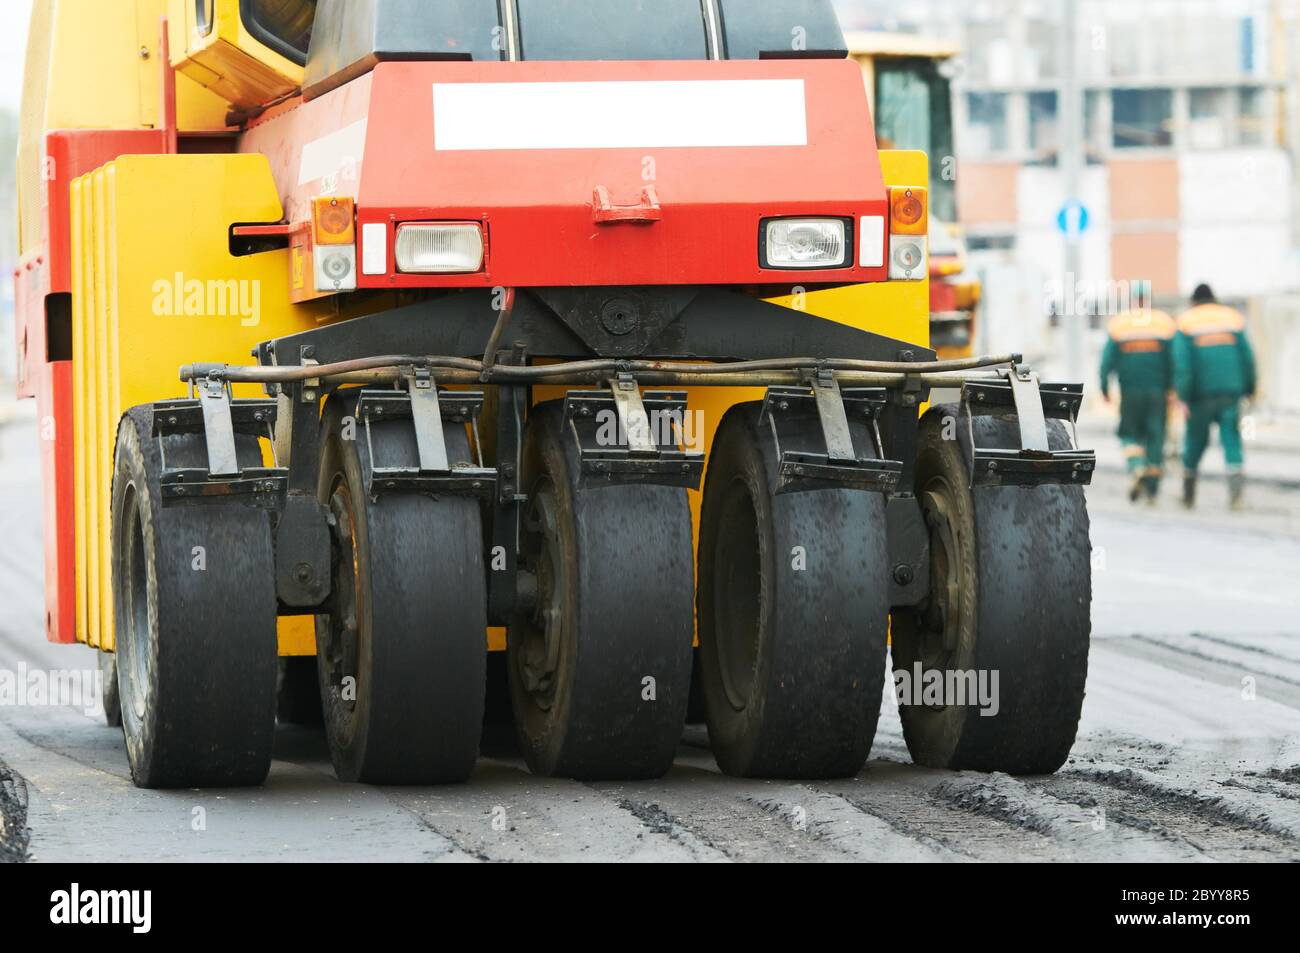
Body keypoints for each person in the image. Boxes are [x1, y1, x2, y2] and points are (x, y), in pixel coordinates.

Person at [1173, 284, 1256, 509]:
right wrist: (1249, 388)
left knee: (1195, 442)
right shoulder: (1232, 318)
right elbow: (1247, 357)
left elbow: (1182, 364)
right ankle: (1236, 497)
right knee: (1232, 440)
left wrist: (1184, 395)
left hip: (1200, 396)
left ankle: (1188, 496)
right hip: (1231, 392)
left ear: (1194, 301)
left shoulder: (1186, 321)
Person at [1099, 282, 1174, 503]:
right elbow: (1175, 360)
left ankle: (1136, 466)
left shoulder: (1120, 325)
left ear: (1133, 299)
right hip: (1158, 393)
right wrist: (1174, 389)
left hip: (1130, 391)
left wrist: (1104, 387)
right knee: (1155, 437)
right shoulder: (1164, 323)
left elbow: (1106, 361)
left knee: (1128, 433)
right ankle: (1152, 492)